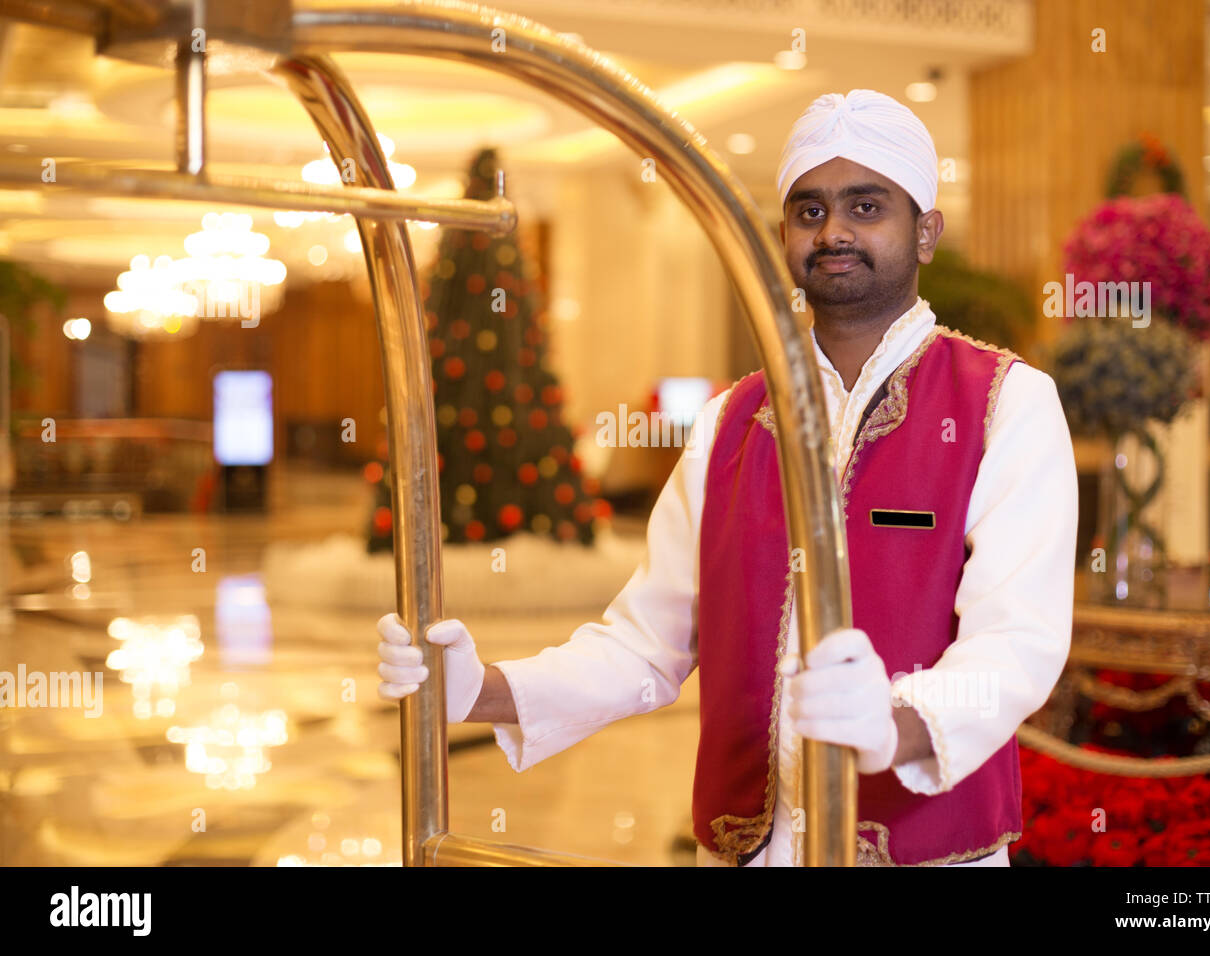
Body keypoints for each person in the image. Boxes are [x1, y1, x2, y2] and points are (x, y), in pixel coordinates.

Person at [377, 89, 1078, 867]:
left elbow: (1018, 643)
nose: (834, 231)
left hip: (926, 856)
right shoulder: (727, 424)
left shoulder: (1004, 402)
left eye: (866, 205)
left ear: (926, 233)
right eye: (808, 210)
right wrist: (482, 691)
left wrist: (896, 724)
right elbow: (645, 648)